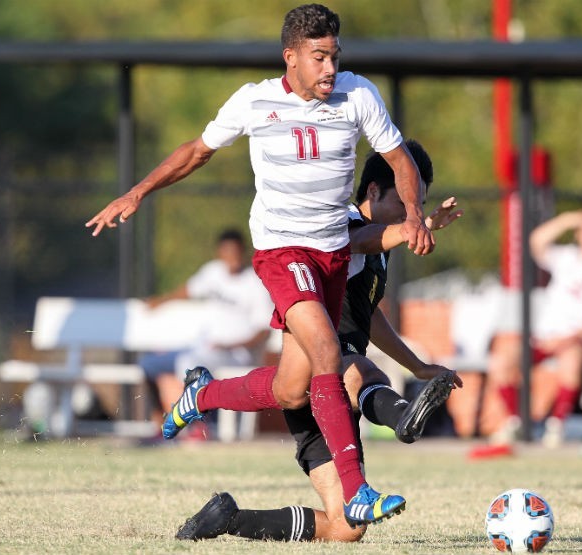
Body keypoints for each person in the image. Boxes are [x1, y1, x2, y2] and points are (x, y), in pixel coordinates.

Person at [85, 3, 434, 528]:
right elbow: (195, 152)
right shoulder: (255, 101)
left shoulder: (358, 94)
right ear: (290, 56)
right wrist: (137, 191)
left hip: (332, 255)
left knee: (292, 388)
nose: (330, 69)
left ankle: (201, 394)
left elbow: (401, 160)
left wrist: (415, 216)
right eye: (318, 57)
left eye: (334, 56)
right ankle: (358, 487)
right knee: (327, 350)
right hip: (282, 251)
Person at [174, 140, 464, 543]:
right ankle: (401, 417)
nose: (411, 211)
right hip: (327, 371)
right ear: (374, 192)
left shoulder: (384, 244)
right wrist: (418, 227)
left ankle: (228, 520)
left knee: (347, 529)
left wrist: (416, 366)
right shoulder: (339, 220)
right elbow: (358, 241)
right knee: (353, 368)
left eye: (419, 203)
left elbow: (371, 315)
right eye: (405, 201)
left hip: (328, 403)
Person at [480, 209, 582, 450]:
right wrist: (569, 219)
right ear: (579, 234)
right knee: (502, 360)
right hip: (543, 337)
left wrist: (569, 338)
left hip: (577, 340)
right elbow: (535, 241)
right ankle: (517, 422)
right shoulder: (566, 257)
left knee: (572, 359)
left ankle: (556, 427)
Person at [137, 228, 273, 430]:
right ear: (219, 253)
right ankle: (159, 421)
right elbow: (190, 290)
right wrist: (161, 301)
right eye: (227, 252)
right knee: (148, 364)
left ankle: (200, 427)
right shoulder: (213, 272)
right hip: (205, 348)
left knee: (191, 364)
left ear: (243, 252)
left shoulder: (255, 283)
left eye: (235, 252)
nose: (232, 258)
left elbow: (264, 331)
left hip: (237, 354)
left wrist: (229, 344)